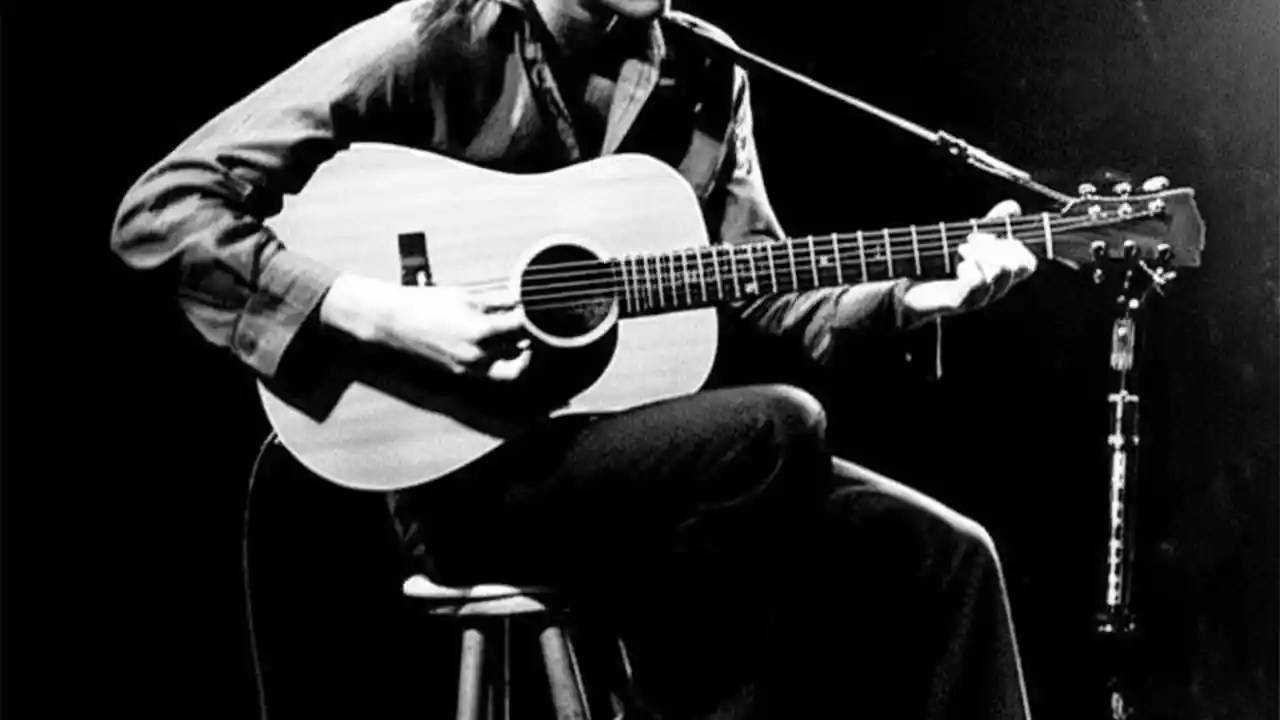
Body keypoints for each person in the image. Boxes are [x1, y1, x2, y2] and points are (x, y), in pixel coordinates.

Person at [110, 0, 1039, 717]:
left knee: (948, 555)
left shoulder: (707, 71)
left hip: (647, 463)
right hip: (462, 474)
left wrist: (915, 298)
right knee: (776, 427)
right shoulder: (430, 41)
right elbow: (162, 213)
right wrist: (390, 316)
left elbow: (761, 282)